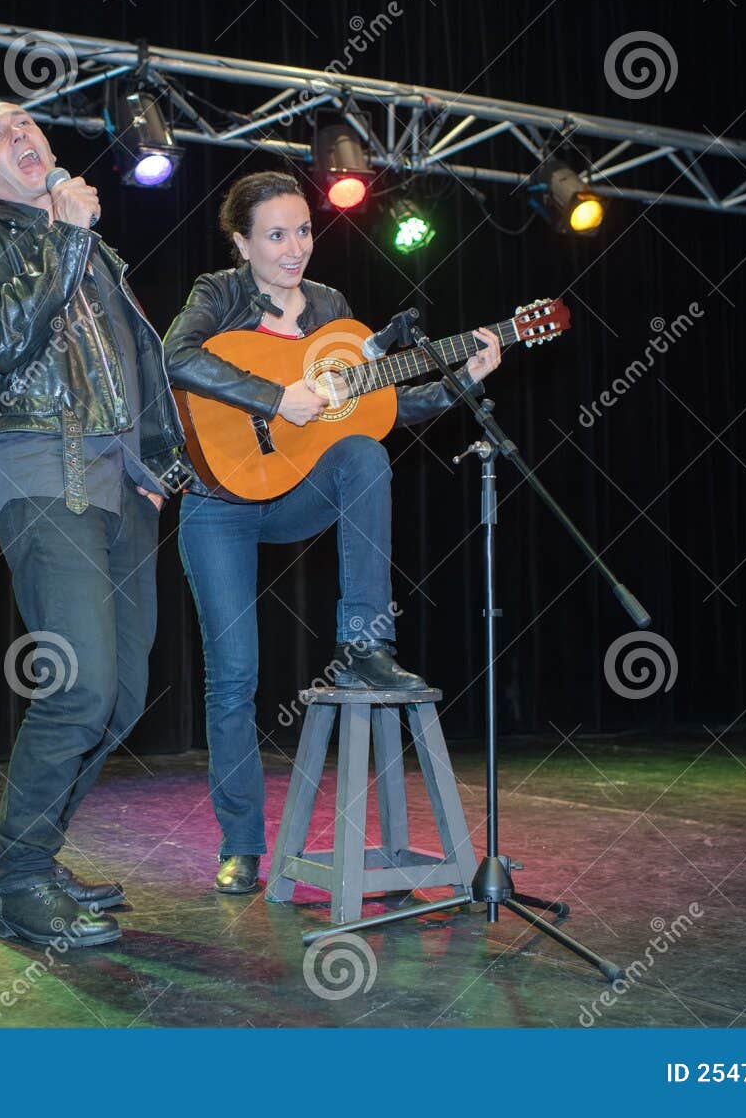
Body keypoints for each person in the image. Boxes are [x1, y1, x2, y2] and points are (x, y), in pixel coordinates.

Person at [163, 170, 503, 895]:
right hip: (218, 498)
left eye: (304, 231)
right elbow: (176, 358)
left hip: (296, 492)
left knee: (363, 451)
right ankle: (242, 843)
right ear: (242, 242)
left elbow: (374, 409)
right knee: (235, 679)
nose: (294, 249)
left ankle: (364, 643)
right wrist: (275, 395)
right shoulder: (216, 293)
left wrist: (459, 381)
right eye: (276, 234)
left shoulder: (332, 309)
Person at [0, 101, 193, 947]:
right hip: (44, 465)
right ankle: (16, 883)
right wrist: (64, 235)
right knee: (77, 685)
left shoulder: (94, 247)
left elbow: (135, 360)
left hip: (122, 483)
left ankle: (34, 853)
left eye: (27, 125)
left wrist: (160, 472)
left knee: (119, 697)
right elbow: (0, 337)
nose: (21, 136)